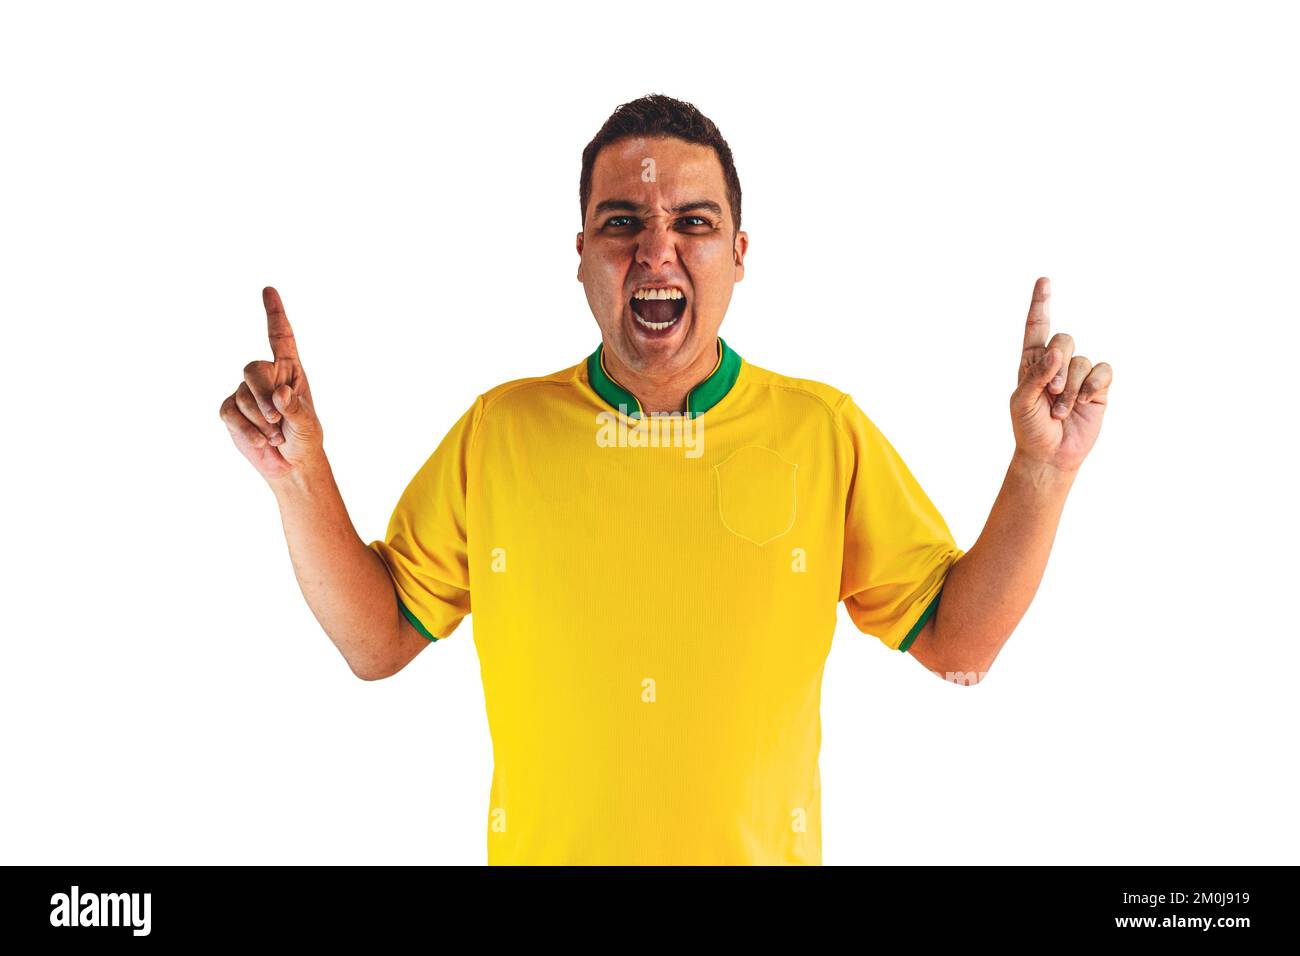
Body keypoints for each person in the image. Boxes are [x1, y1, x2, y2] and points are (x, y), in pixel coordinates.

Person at [218, 93, 1113, 865]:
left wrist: (1043, 471)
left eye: (693, 222)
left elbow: (960, 647)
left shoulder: (823, 430)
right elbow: (378, 644)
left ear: (738, 250)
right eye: (622, 223)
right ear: (579, 253)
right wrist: (301, 475)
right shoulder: (498, 433)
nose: (656, 250)